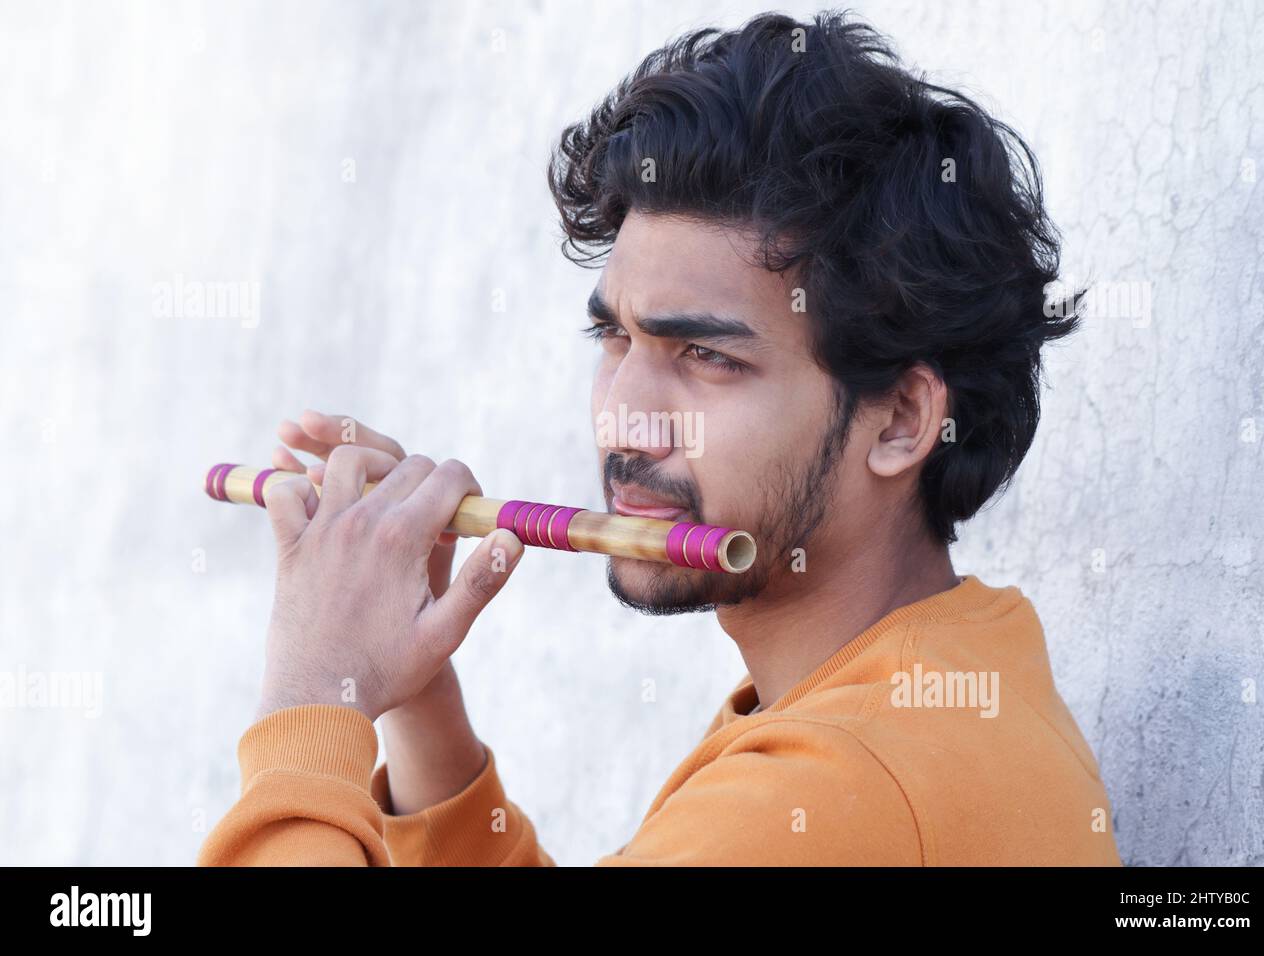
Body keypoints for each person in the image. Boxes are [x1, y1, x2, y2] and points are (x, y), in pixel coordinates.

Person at [198, 10, 1121, 866]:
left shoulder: (839, 785)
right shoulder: (933, 680)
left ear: (903, 420)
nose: (626, 415)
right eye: (616, 337)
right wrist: (418, 694)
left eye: (707, 356)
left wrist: (312, 699)